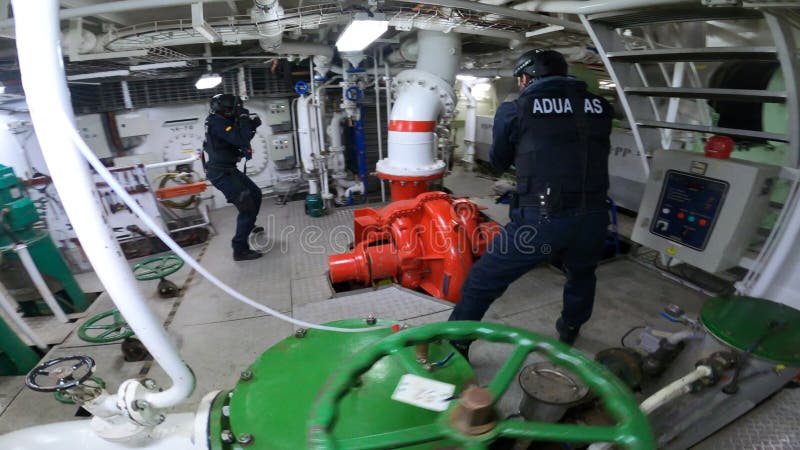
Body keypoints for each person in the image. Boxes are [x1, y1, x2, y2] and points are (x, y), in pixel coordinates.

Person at [449, 49, 613, 351]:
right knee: (581, 274)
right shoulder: (600, 105)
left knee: (482, 281)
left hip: (541, 222)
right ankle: (570, 328)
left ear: (525, 78)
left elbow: (499, 160)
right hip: (594, 217)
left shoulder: (516, 108)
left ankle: (457, 344)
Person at [203, 93, 264, 261]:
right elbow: (240, 138)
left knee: (256, 194)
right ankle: (239, 249)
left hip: (229, 169)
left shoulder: (221, 121)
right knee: (247, 207)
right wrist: (244, 118)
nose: (236, 111)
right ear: (225, 109)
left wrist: (251, 126)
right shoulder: (217, 123)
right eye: (234, 108)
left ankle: (248, 226)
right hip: (221, 174)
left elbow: (241, 139)